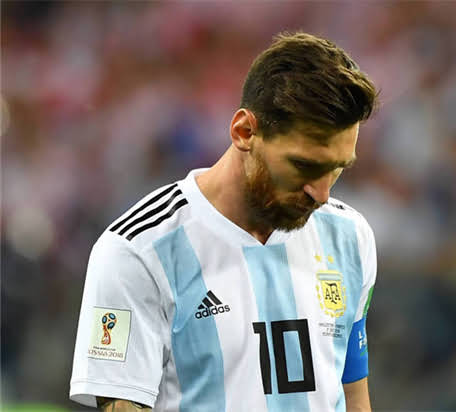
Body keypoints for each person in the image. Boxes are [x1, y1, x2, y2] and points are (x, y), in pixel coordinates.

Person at [70, 32, 378, 412]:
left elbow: (353, 395)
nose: (322, 193)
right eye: (304, 165)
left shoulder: (350, 237)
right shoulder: (138, 251)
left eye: (337, 168)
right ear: (244, 132)